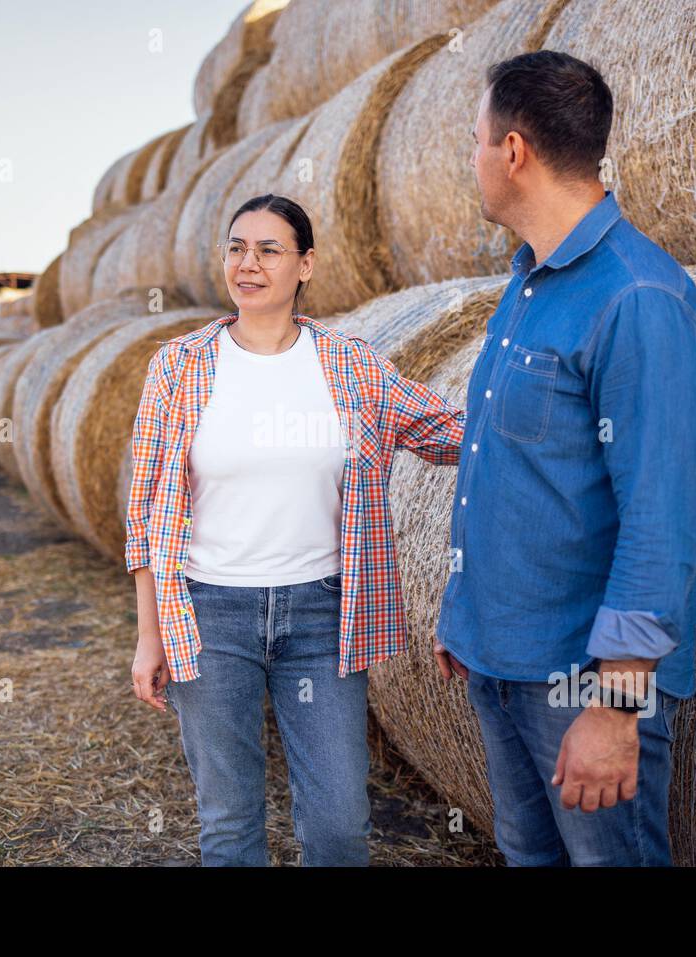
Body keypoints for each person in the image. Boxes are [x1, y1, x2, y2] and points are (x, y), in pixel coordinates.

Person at [432, 51, 696, 866]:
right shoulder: (529, 284)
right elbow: (507, 465)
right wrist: (469, 613)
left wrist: (617, 705)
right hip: (500, 662)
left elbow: (660, 519)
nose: (472, 161)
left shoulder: (637, 300)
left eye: (475, 141)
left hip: (583, 685)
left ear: (513, 151)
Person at [126, 194, 465, 866]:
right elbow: (146, 514)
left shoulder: (349, 363)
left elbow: (445, 430)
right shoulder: (180, 366)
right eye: (235, 247)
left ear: (305, 264)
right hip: (210, 613)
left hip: (322, 615)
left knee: (340, 824)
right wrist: (148, 634)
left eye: (268, 249)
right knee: (229, 825)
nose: (247, 263)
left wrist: (552, 423)